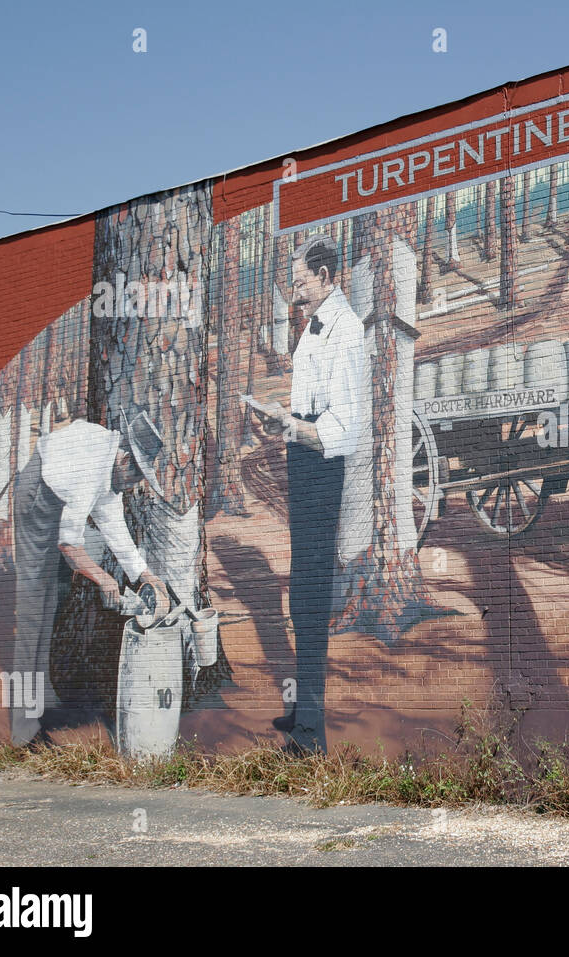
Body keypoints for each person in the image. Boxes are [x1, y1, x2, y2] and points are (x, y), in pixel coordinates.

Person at [250, 235, 372, 753]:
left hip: (325, 467)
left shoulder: (346, 331)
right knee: (302, 589)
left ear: (325, 277)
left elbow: (345, 424)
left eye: (300, 280)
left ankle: (310, 735)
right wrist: (281, 423)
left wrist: (292, 428)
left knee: (311, 590)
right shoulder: (316, 327)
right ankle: (304, 709)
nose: (294, 288)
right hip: (304, 456)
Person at [11, 411, 170, 745]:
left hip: (61, 494)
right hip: (38, 494)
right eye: (137, 473)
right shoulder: (89, 470)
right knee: (33, 607)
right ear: (125, 458)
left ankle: (43, 697)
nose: (137, 482)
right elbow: (69, 544)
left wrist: (144, 575)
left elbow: (114, 525)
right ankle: (23, 729)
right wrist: (105, 580)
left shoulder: (110, 468)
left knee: (54, 599)